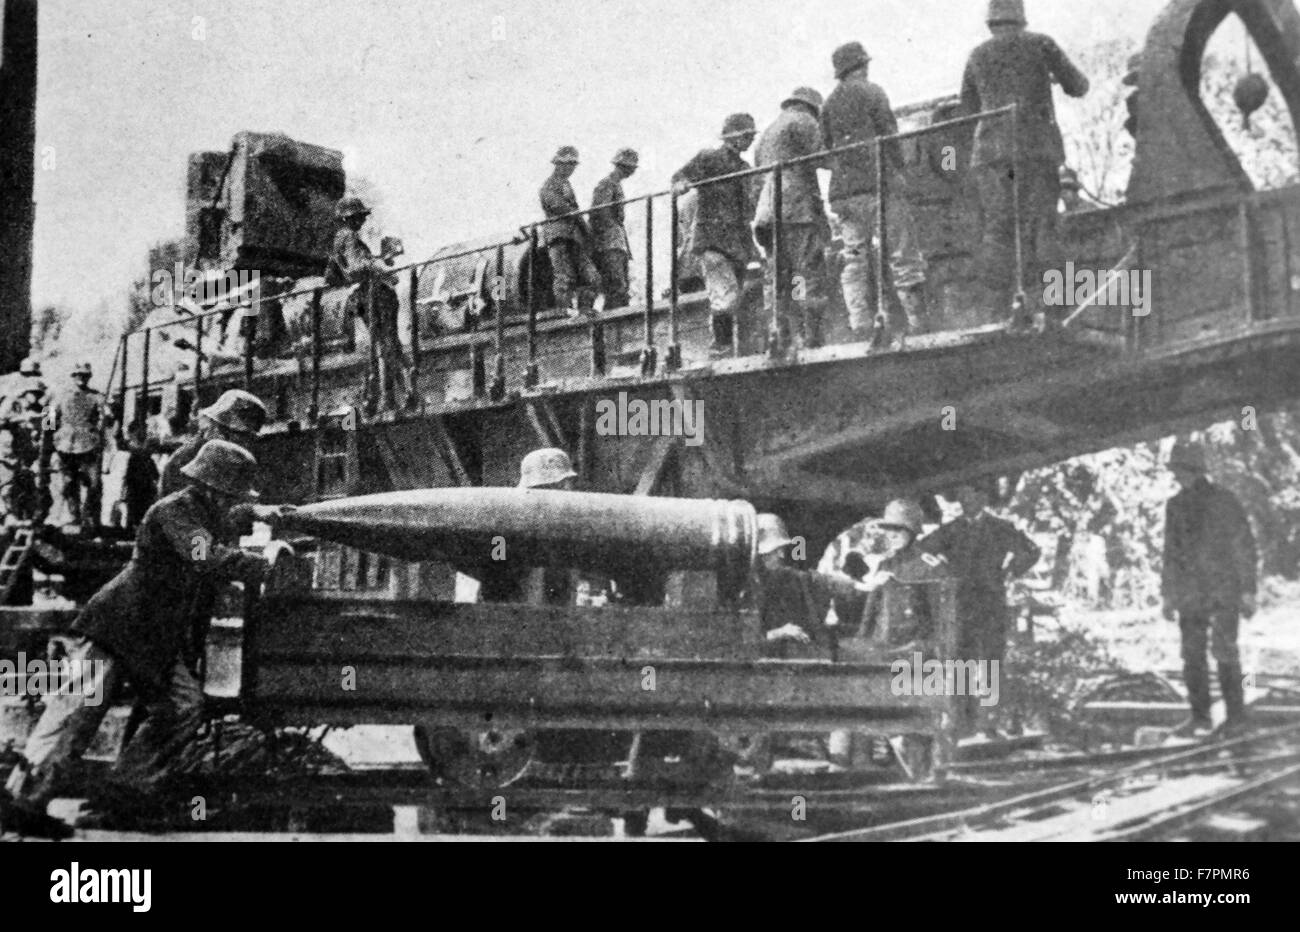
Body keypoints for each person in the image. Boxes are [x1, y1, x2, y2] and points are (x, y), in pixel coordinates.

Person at [1, 441, 293, 836]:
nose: (233, 503)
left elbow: (233, 519)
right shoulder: (173, 511)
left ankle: (125, 791)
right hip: (118, 625)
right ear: (213, 488)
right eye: (232, 495)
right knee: (76, 714)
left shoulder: (207, 510)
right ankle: (24, 801)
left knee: (184, 706)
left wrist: (260, 513)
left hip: (154, 635)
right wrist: (264, 563)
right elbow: (204, 555)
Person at [961, 0, 1089, 327]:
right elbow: (1079, 86)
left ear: (991, 21)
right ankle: (1058, 309)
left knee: (999, 230)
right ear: (1021, 18)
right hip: (1036, 151)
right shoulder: (1040, 43)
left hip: (990, 155)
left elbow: (968, 109)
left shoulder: (976, 55)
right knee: (1043, 225)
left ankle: (996, 313)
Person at [821, 41, 929, 341]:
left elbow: (826, 147)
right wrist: (900, 172)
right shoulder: (873, 91)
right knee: (902, 252)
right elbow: (890, 136)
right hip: (878, 184)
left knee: (854, 258)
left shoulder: (828, 104)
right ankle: (918, 322)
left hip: (843, 194)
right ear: (863, 66)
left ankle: (860, 324)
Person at [921, 481, 1040, 737]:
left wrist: (1011, 571)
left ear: (983, 497)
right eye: (962, 495)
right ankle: (961, 722)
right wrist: (941, 567)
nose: (965, 499)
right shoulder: (951, 529)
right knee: (959, 661)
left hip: (991, 602)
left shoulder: (1000, 528)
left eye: (971, 494)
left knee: (991, 662)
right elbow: (922, 550)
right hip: (959, 603)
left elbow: (1031, 550)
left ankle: (989, 722)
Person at [1162, 442, 1257, 738]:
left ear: (1191, 470)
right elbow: (1170, 554)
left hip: (1222, 591)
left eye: (1179, 469)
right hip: (1191, 594)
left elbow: (1244, 546)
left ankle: (1236, 718)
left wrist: (1248, 590)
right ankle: (1200, 717)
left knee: (1225, 652)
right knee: (1192, 656)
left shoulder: (1225, 501)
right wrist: (1167, 594)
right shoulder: (1175, 505)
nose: (1176, 476)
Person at [854, 499, 954, 778]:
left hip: (917, 653)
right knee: (883, 717)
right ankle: (895, 772)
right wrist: (864, 644)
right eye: (889, 529)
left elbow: (942, 618)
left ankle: (926, 775)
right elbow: (871, 612)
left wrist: (940, 653)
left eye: (899, 529)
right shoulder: (884, 565)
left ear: (913, 531)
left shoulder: (929, 567)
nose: (892, 534)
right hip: (884, 651)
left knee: (920, 719)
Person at [673, 114, 760, 356]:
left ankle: (730, 345)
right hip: (713, 240)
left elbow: (750, 208)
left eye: (752, 137)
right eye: (747, 136)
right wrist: (680, 185)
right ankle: (720, 346)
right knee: (724, 294)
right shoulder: (709, 158)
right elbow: (681, 176)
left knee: (734, 294)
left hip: (738, 244)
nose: (750, 141)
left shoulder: (745, 169)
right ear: (734, 136)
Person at [755, 87, 831, 354]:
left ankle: (781, 336)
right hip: (796, 210)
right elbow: (825, 157)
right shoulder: (804, 121)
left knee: (780, 278)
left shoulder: (768, 131)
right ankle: (812, 337)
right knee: (806, 272)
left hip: (768, 213)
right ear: (812, 107)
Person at [325, 196, 412, 408]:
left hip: (363, 296)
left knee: (383, 344)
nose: (362, 221)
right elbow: (358, 267)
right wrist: (383, 268)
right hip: (376, 294)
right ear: (349, 219)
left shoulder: (339, 240)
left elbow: (331, 276)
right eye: (358, 217)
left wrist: (375, 259)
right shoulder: (350, 237)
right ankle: (393, 397)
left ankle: (397, 393)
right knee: (389, 343)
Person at [159, 389, 268, 497]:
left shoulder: (239, 457)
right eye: (241, 435)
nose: (245, 443)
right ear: (216, 428)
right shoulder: (186, 460)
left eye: (249, 438)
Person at [540, 146, 601, 316]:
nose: (571, 169)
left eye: (573, 165)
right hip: (559, 237)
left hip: (574, 238)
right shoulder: (549, 186)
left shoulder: (566, 184)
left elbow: (572, 210)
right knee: (564, 276)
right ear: (558, 165)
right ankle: (563, 310)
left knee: (591, 276)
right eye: (568, 165)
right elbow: (560, 207)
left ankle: (584, 308)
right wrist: (581, 220)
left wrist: (586, 231)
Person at [50, 362, 106, 531]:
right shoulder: (60, 396)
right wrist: (48, 436)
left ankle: (91, 520)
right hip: (65, 445)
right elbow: (49, 418)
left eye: (84, 375)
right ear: (73, 377)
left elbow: (106, 419)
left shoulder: (97, 397)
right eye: (78, 375)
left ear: (89, 377)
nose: (81, 378)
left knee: (94, 484)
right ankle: (74, 517)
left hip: (89, 444)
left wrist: (102, 432)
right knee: (69, 483)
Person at [591, 149, 639, 310]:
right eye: (629, 168)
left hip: (617, 242)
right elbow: (600, 213)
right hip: (609, 243)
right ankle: (611, 327)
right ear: (623, 167)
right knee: (616, 285)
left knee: (622, 287)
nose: (631, 172)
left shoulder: (615, 184)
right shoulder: (606, 184)